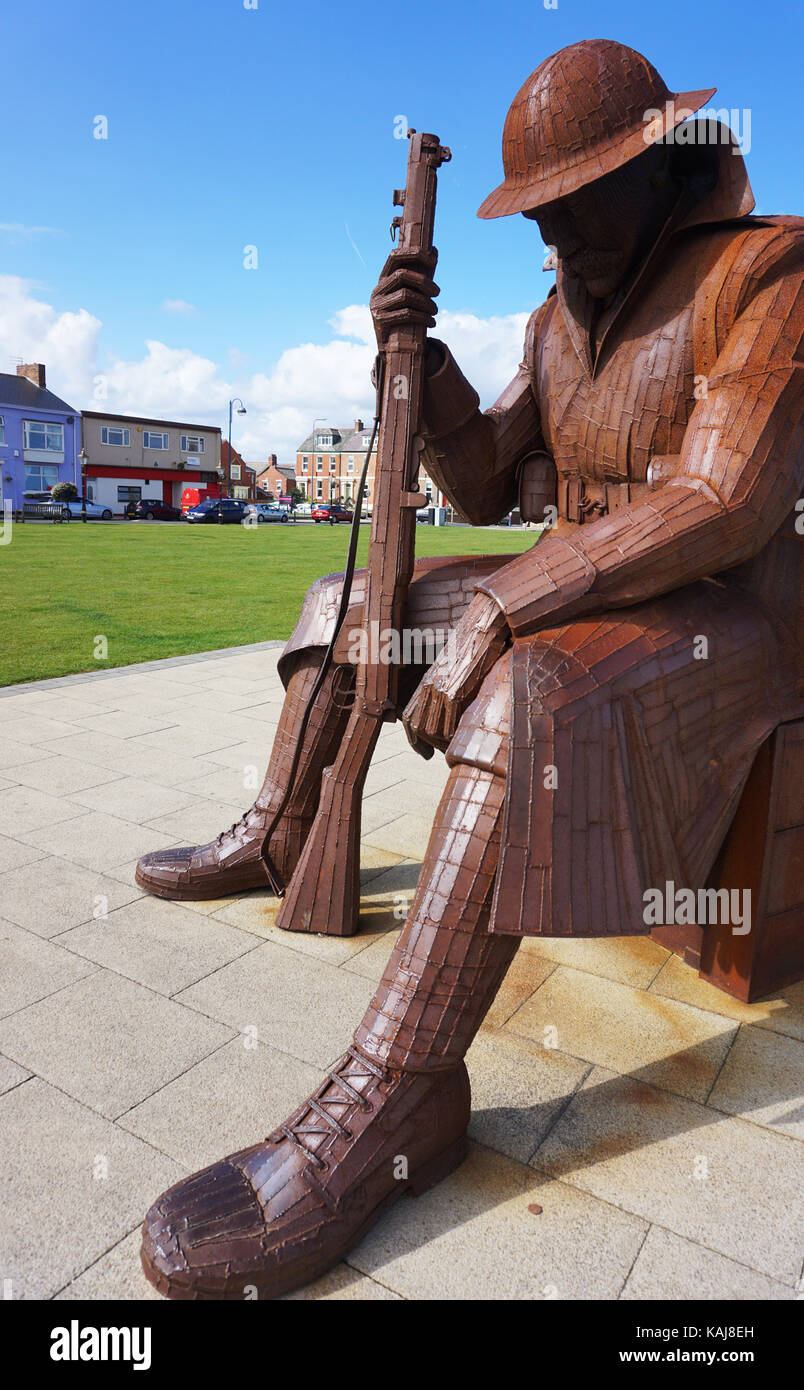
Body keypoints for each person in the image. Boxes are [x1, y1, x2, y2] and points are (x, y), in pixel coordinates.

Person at [136, 39, 803, 1299]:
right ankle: (282, 829)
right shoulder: (559, 321)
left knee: (528, 692)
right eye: (542, 212)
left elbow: (727, 497)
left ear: (664, 168)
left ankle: (400, 1089)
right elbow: (489, 476)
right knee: (351, 598)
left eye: (581, 198)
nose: (557, 233)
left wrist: (515, 600)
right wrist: (423, 360)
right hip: (577, 601)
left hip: (732, 623)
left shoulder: (765, 272)